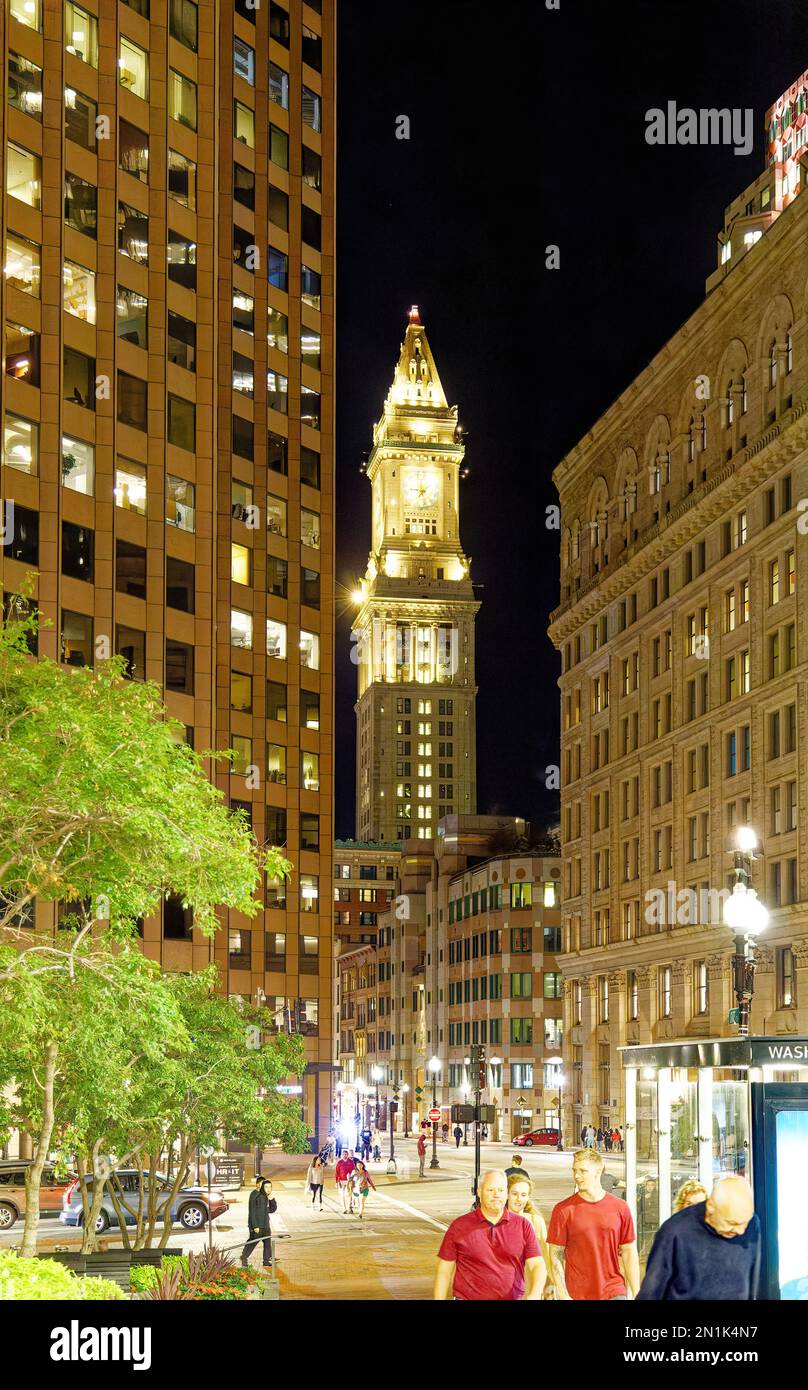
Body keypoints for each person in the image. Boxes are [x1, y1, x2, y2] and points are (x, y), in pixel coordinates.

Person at [637, 1176, 760, 1300]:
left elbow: (752, 1280)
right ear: (711, 1207)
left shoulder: (752, 1223)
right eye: (732, 1223)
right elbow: (651, 1291)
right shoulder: (675, 1230)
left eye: (745, 1223)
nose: (741, 1231)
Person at [434, 1170, 545, 1301]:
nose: (496, 1195)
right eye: (490, 1190)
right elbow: (444, 1272)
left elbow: (537, 1264)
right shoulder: (460, 1226)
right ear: (479, 1192)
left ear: (506, 1194)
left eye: (501, 1190)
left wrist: (535, 1294)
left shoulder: (523, 1225)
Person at [547, 1149, 640, 1300]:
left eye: (583, 1171)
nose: (577, 1176)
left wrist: (637, 1293)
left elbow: (629, 1251)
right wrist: (563, 1294)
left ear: (599, 1170)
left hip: (613, 1290)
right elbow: (555, 1254)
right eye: (574, 1170)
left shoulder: (620, 1207)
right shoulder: (563, 1210)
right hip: (577, 1293)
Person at [507, 1173, 552, 1298]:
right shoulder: (496, 1223)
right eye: (514, 1194)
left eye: (523, 1195)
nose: (518, 1199)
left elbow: (546, 1259)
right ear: (506, 1195)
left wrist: (548, 1289)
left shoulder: (535, 1222)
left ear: (528, 1197)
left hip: (530, 1288)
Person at [241, 1177, 277, 1268]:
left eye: (270, 1187)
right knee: (252, 1242)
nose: (268, 1189)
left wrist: (272, 1199)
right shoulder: (256, 1196)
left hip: (265, 1225)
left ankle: (266, 1260)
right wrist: (255, 1226)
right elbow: (252, 1211)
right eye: (265, 1186)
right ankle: (244, 1257)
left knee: (267, 1243)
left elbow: (271, 1209)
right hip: (257, 1226)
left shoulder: (265, 1196)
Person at [335, 1148, 357, 1214]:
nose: (345, 1155)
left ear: (348, 1155)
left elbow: (354, 1171)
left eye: (346, 1154)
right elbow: (337, 1172)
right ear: (342, 1155)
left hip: (349, 1181)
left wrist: (353, 1180)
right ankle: (344, 1208)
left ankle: (349, 1207)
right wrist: (337, 1182)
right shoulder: (339, 1162)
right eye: (343, 1154)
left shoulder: (351, 1162)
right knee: (342, 1195)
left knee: (349, 1195)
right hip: (341, 1181)